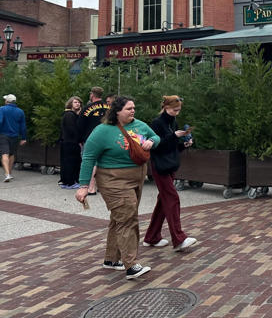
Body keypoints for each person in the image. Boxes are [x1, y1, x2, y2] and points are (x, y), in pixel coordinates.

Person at [75, 96, 160, 280]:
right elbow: (88, 158)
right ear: (117, 111)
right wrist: (83, 186)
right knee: (128, 218)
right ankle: (131, 265)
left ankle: (112, 259)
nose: (133, 111)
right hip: (113, 180)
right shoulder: (102, 131)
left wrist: (152, 142)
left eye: (134, 108)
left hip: (137, 178)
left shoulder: (138, 125)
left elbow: (155, 136)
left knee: (120, 218)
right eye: (129, 108)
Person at [142, 95, 197, 252]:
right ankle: (179, 238)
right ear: (166, 107)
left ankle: (151, 237)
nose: (177, 113)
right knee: (172, 198)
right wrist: (174, 136)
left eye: (179, 110)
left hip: (170, 164)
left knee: (163, 200)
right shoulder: (157, 123)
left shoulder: (173, 122)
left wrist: (183, 144)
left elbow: (171, 147)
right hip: (160, 166)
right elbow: (157, 146)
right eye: (174, 110)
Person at [78, 87, 111, 195]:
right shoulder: (110, 108)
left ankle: (91, 187)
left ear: (92, 95)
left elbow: (80, 126)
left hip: (91, 138)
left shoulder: (87, 108)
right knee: (104, 162)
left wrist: (80, 139)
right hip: (108, 138)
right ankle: (102, 186)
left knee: (91, 162)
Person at [0, 94, 27, 183]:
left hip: (3, 135)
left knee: (4, 154)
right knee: (11, 154)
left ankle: (7, 174)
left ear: (7, 101)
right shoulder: (20, 111)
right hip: (15, 136)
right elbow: (23, 126)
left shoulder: (2, 109)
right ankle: (9, 173)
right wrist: (23, 138)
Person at [59, 96, 83, 189]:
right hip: (71, 142)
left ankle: (66, 181)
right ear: (70, 104)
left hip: (67, 142)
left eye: (79, 102)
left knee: (67, 162)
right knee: (72, 162)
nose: (78, 104)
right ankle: (70, 182)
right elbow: (73, 130)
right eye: (75, 102)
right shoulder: (70, 115)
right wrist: (79, 140)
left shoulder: (69, 114)